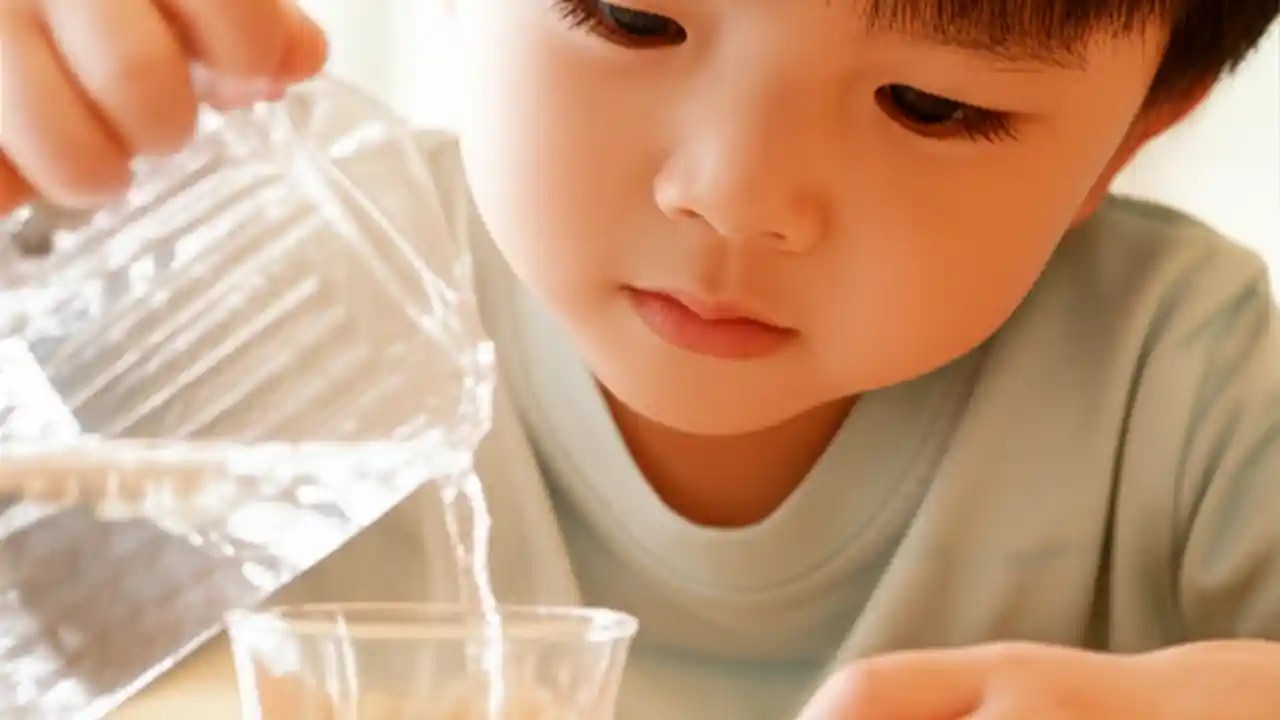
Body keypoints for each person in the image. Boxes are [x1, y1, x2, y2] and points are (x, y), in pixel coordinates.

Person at [2, 0, 1279, 717]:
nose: (734, 194)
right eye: (629, 16)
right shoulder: (209, 269)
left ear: (1130, 135)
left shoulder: (1192, 383)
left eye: (930, 106)